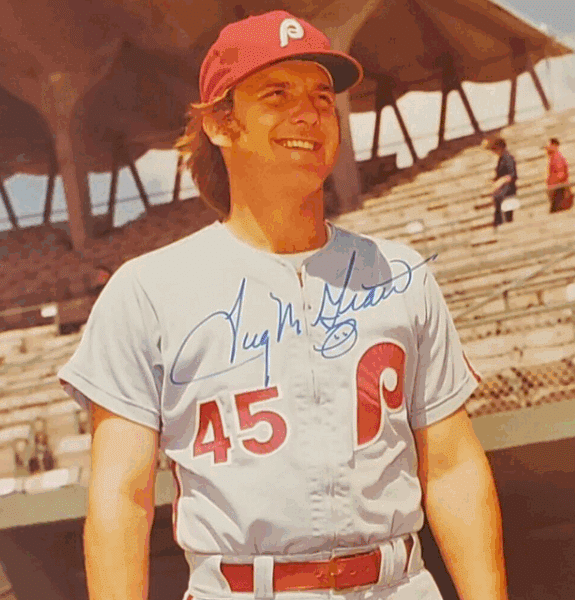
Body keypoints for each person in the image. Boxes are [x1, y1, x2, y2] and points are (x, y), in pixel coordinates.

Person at [59, 10, 507, 600]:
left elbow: (451, 467)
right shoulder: (147, 290)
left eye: (322, 95)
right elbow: (122, 498)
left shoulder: (400, 275)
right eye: (277, 93)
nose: (309, 113)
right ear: (223, 123)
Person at [484, 135, 517, 227]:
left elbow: (512, 175)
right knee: (500, 213)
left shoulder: (508, 158)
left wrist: (501, 181)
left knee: (507, 216)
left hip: (508, 191)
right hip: (502, 192)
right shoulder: (501, 159)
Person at [546, 137, 571, 213]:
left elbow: (561, 175)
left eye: (548, 145)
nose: (546, 148)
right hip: (557, 190)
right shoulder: (554, 157)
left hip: (559, 191)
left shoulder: (557, 158)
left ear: (554, 145)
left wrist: (551, 183)